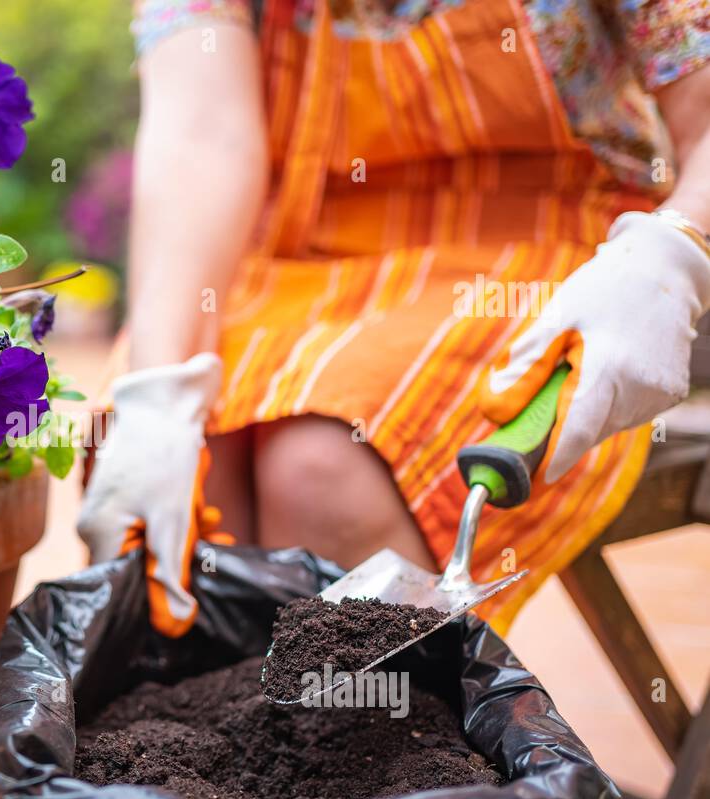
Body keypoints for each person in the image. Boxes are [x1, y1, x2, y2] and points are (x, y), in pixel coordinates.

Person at [79, 0, 710, 637]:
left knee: (322, 472)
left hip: (548, 241)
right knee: (169, 473)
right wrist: (156, 396)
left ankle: (368, 725)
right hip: (294, 244)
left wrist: (674, 255)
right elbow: (200, 134)